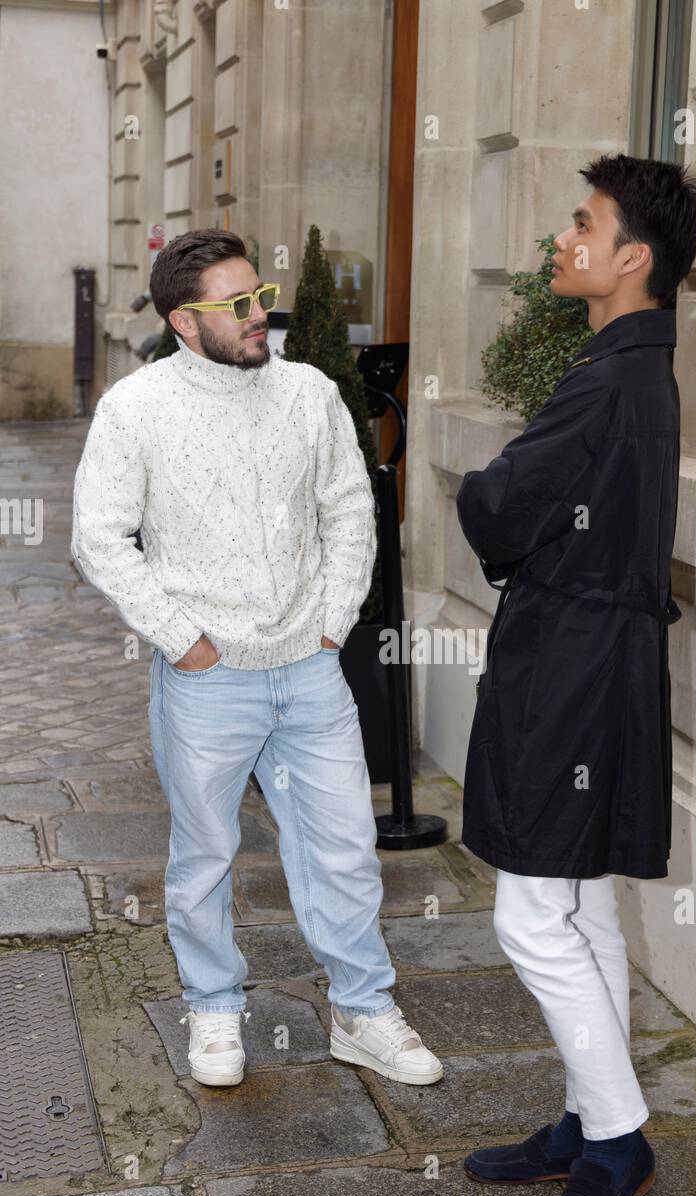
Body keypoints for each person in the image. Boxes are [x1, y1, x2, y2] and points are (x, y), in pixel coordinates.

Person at [71, 228, 442, 1091]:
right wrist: (183, 639)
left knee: (345, 848)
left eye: (259, 296)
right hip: (207, 681)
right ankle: (211, 1005)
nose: (257, 316)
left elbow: (349, 510)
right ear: (181, 322)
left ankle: (361, 1009)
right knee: (204, 853)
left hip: (310, 671)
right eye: (234, 305)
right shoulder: (137, 408)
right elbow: (99, 539)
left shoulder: (308, 392)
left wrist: (330, 622)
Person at [456, 154, 696, 1196]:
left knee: (530, 914)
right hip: (592, 659)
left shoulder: (611, 378)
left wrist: (484, 482)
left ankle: (616, 1140)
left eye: (583, 223)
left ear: (632, 257)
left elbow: (500, 507)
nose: (566, 240)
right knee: (580, 906)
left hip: (570, 668)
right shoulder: (634, 368)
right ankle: (582, 1118)